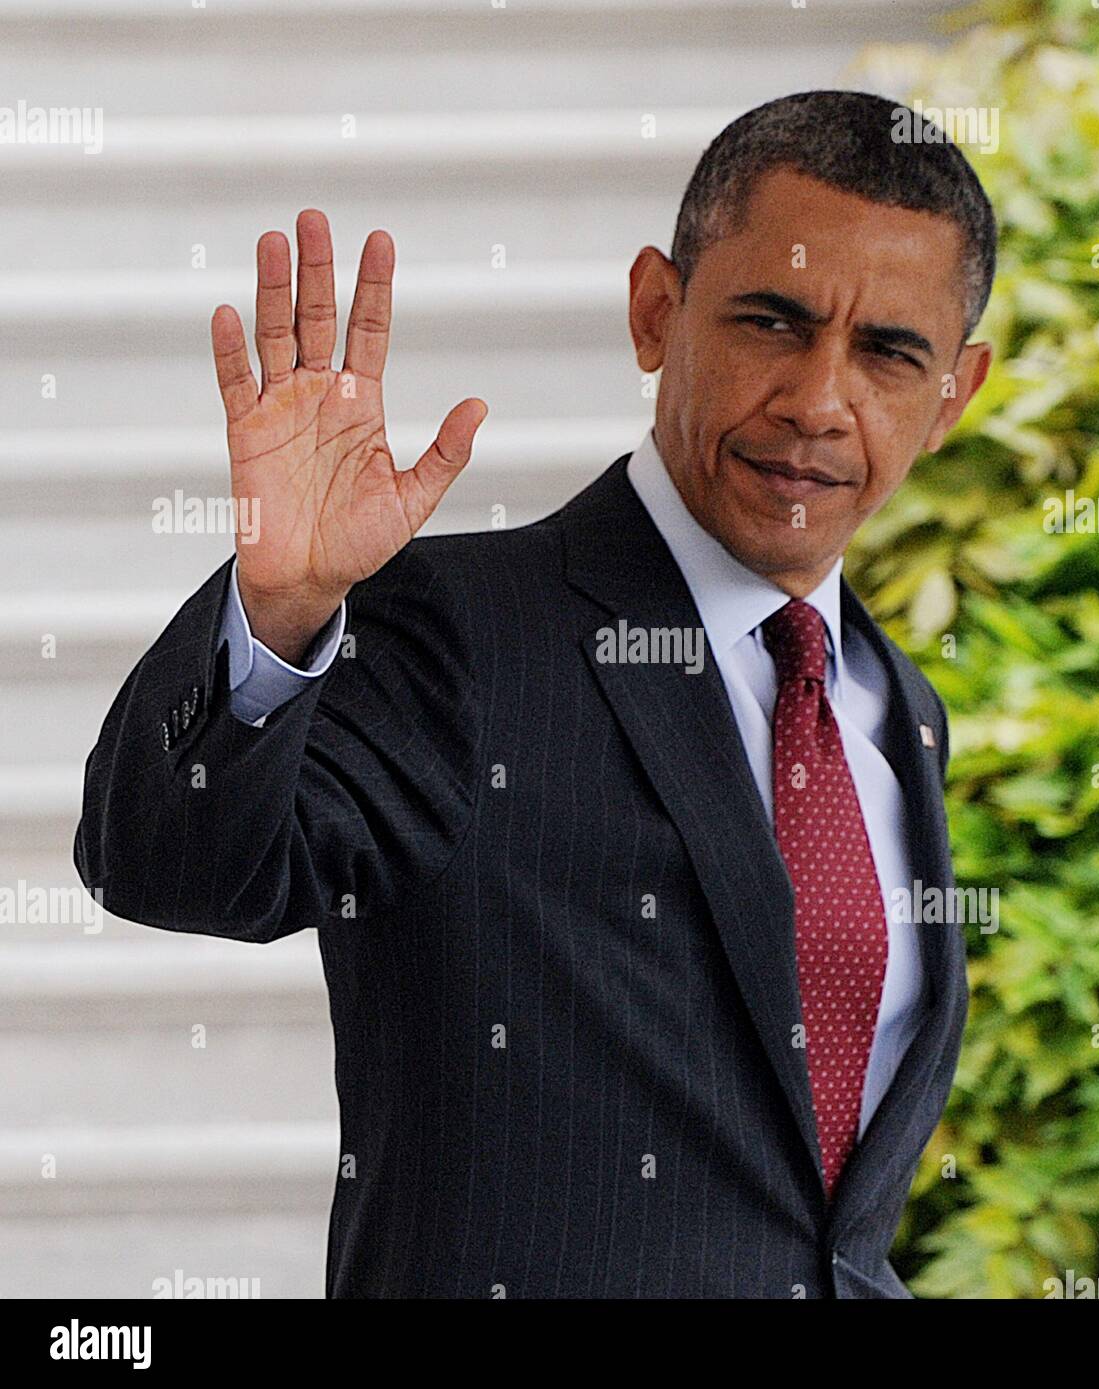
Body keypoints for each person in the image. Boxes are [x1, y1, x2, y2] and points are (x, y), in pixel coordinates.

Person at [75, 90, 995, 1298]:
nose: (820, 401)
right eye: (772, 321)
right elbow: (173, 868)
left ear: (954, 395)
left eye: (888, 351)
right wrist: (284, 606)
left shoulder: (897, 706)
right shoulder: (461, 628)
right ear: (655, 311)